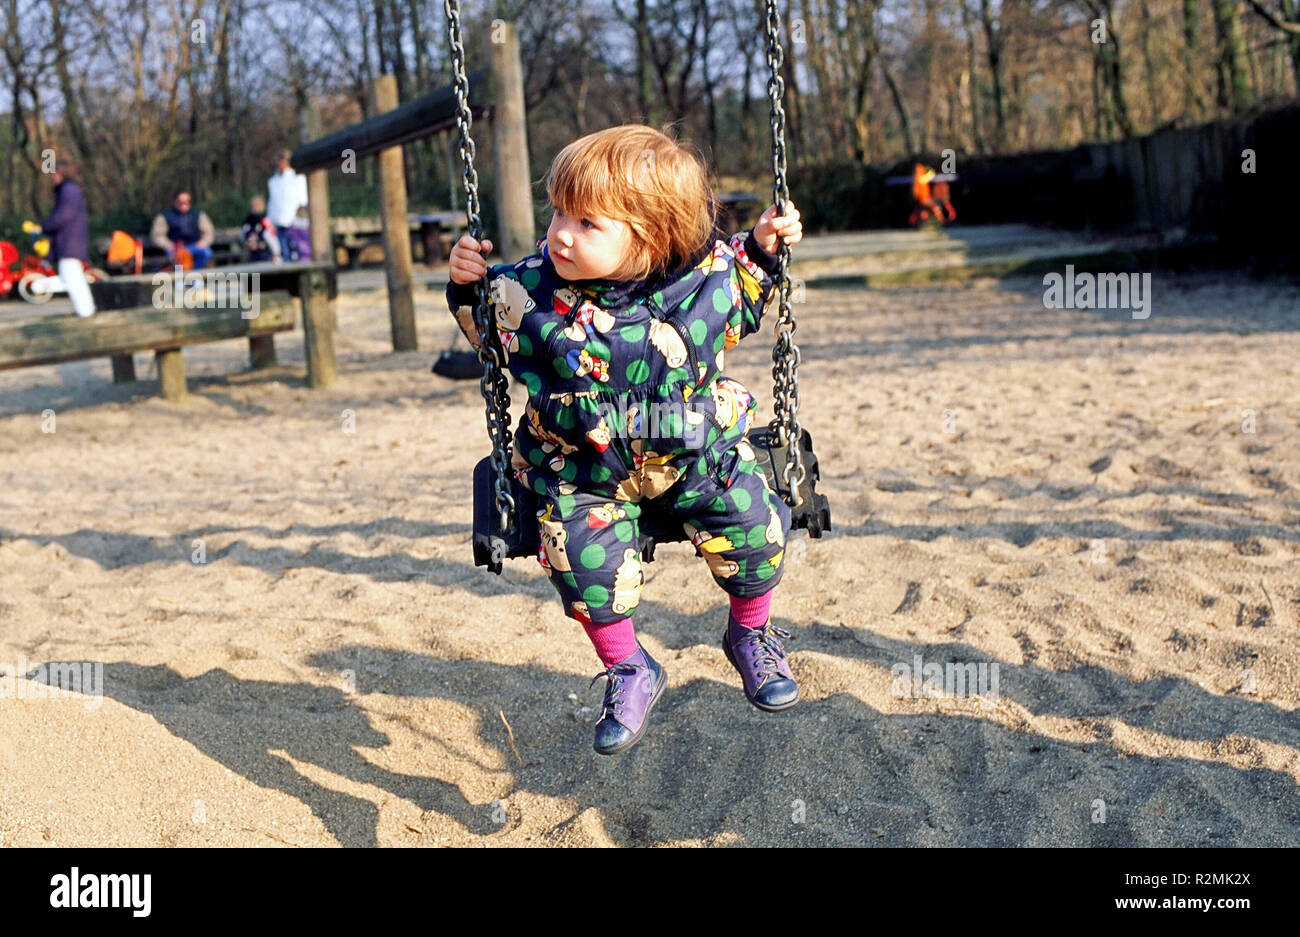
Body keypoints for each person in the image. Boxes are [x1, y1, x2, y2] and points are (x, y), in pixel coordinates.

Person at [445, 124, 804, 755]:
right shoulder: (529, 293)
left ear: (654, 236)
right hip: (584, 472)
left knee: (758, 527)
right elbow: (487, 340)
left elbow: (748, 286)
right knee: (578, 565)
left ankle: (750, 633)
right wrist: (466, 285)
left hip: (697, 458)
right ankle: (630, 666)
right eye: (558, 211)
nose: (559, 231)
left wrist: (766, 247)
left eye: (587, 222)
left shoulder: (707, 283)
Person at [24, 159, 96, 317]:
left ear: (62, 173)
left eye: (54, 173)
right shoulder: (69, 190)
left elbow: (63, 217)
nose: (52, 177)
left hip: (69, 243)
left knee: (71, 277)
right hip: (70, 242)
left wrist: (42, 227)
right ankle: (86, 311)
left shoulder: (68, 191)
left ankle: (86, 312)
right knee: (71, 277)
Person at [150, 190, 215, 269]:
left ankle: (196, 277)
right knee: (178, 258)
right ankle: (179, 279)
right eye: (180, 202)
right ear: (175, 202)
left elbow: (208, 233)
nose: (184, 204)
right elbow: (157, 236)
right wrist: (168, 245)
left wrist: (203, 242)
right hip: (175, 247)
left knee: (206, 252)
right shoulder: (165, 216)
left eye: (187, 202)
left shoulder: (198, 215)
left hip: (194, 246)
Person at [267, 149, 309, 261]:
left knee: (297, 249)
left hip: (294, 220)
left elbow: (303, 199)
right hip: (278, 220)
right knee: (283, 250)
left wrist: (299, 214)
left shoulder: (297, 178)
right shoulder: (273, 181)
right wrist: (270, 218)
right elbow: (273, 201)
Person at [241, 195, 282, 263]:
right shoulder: (264, 220)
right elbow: (271, 237)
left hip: (252, 254)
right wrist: (276, 253)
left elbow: (243, 237)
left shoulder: (246, 221)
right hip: (264, 253)